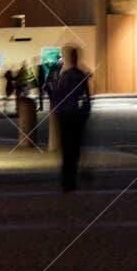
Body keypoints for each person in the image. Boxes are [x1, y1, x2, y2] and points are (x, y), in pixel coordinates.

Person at [49, 46, 92, 191]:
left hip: (67, 116)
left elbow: (57, 97)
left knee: (68, 149)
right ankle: (70, 179)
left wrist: (58, 112)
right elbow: (86, 97)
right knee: (74, 149)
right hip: (74, 116)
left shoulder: (65, 76)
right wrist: (84, 113)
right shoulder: (78, 75)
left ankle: (68, 180)